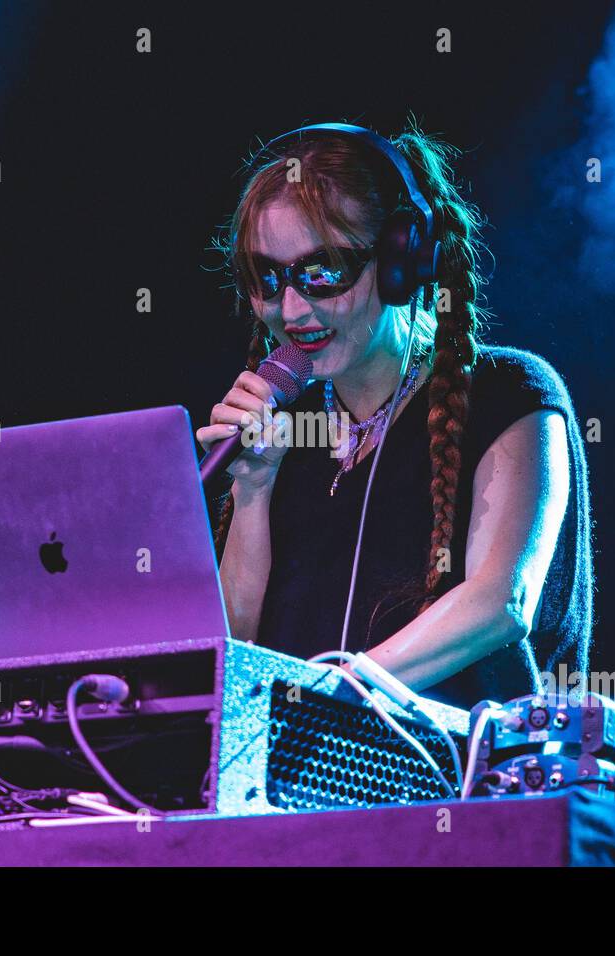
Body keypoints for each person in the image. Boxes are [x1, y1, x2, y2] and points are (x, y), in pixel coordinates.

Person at [196, 122, 594, 709]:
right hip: (297, 778)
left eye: (323, 271)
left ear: (400, 258)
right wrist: (253, 489)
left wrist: (329, 694)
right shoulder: (285, 431)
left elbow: (500, 604)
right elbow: (234, 649)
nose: (291, 307)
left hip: (460, 783)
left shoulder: (511, 393)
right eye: (266, 279)